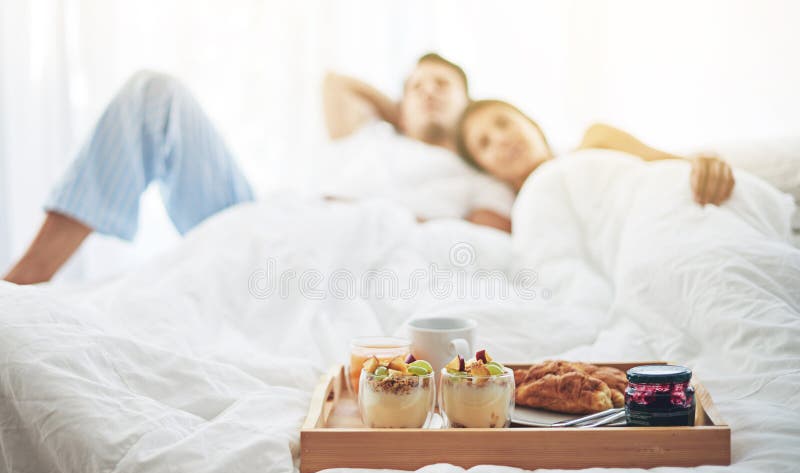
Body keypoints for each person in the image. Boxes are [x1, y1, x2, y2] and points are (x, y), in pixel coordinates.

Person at [4, 53, 514, 285]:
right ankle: (23, 283)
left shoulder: (474, 174)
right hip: (262, 218)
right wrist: (402, 112)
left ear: (468, 101)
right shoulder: (369, 136)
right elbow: (336, 81)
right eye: (416, 85)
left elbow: (489, 244)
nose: (427, 91)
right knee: (153, 92)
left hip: (331, 257)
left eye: (441, 85)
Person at [456, 99, 735, 205]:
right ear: (487, 169)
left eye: (504, 123)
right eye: (485, 143)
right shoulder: (522, 218)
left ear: (534, 125)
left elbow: (681, 166)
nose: (501, 140)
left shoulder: (598, 139)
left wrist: (707, 165)